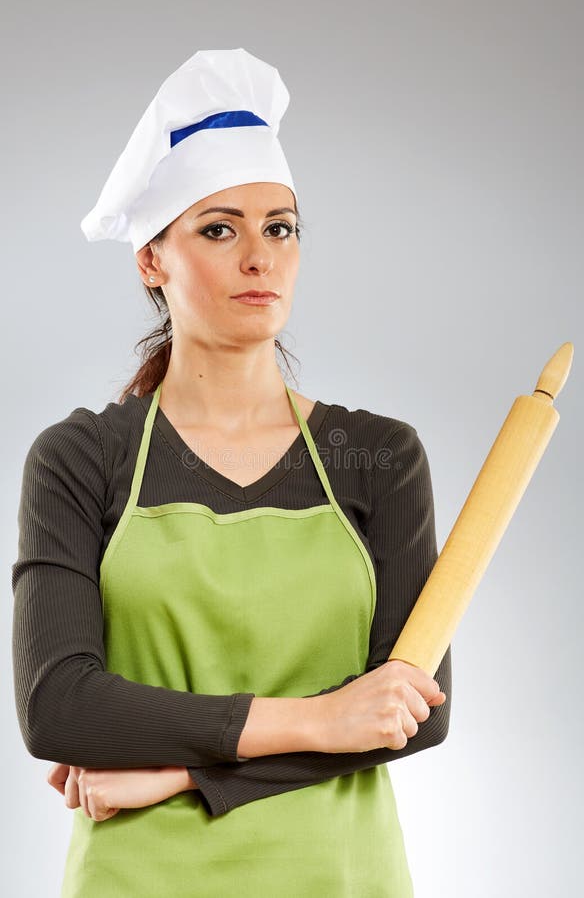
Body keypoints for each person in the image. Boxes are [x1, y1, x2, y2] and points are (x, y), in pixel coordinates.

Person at [11, 47, 451, 897]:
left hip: (342, 876)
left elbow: (413, 713)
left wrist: (182, 776)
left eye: (279, 227)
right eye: (219, 228)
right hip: (138, 879)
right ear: (152, 259)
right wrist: (323, 718)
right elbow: (60, 705)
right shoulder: (80, 460)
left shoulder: (379, 458)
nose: (261, 257)